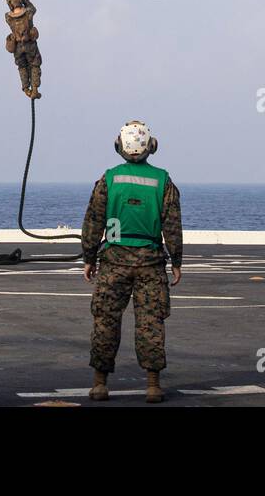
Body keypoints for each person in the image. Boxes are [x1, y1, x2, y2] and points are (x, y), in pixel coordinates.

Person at [81, 120, 183, 404]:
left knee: (105, 321)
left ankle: (100, 383)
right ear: (151, 147)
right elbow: (172, 225)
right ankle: (152, 385)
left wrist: (89, 257)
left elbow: (93, 222)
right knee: (151, 322)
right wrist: (176, 260)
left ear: (119, 146)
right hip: (150, 261)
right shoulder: (163, 181)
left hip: (114, 259)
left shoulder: (109, 179)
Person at [4, 0, 41, 99]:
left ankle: (26, 89)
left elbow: (10, 10)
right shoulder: (28, 13)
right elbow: (33, 8)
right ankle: (35, 89)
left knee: (22, 67)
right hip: (30, 45)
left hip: (18, 48)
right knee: (34, 65)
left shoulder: (8, 18)